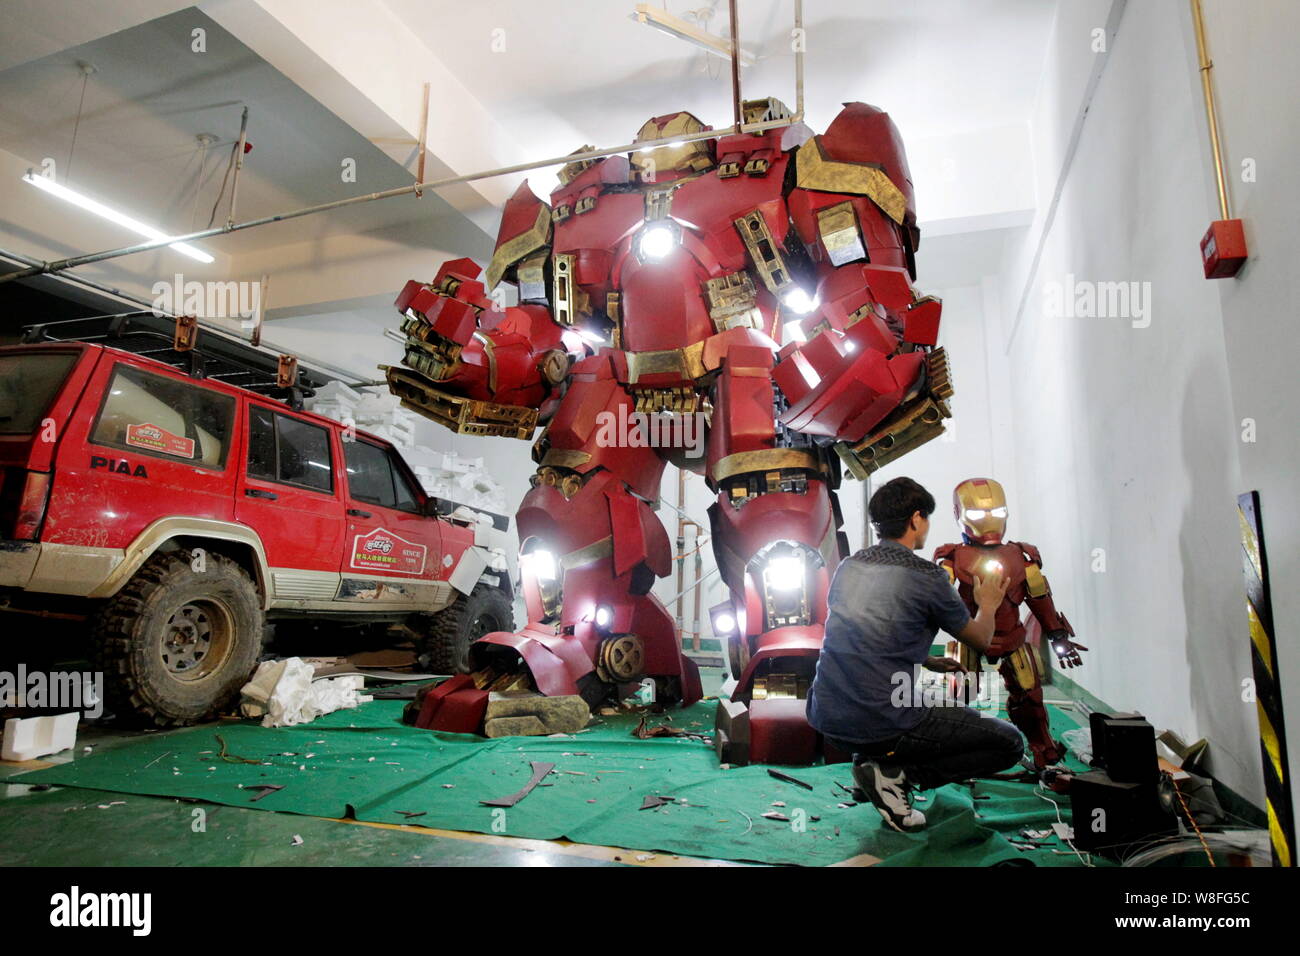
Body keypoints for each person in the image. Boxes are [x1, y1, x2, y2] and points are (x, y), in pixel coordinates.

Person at [806, 476, 1025, 832]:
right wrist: (988, 603)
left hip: (826, 715)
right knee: (1009, 743)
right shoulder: (928, 577)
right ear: (916, 519)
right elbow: (982, 639)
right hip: (880, 719)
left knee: (903, 696)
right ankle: (897, 777)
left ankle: (873, 766)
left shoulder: (850, 567)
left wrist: (927, 659)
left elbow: (866, 633)